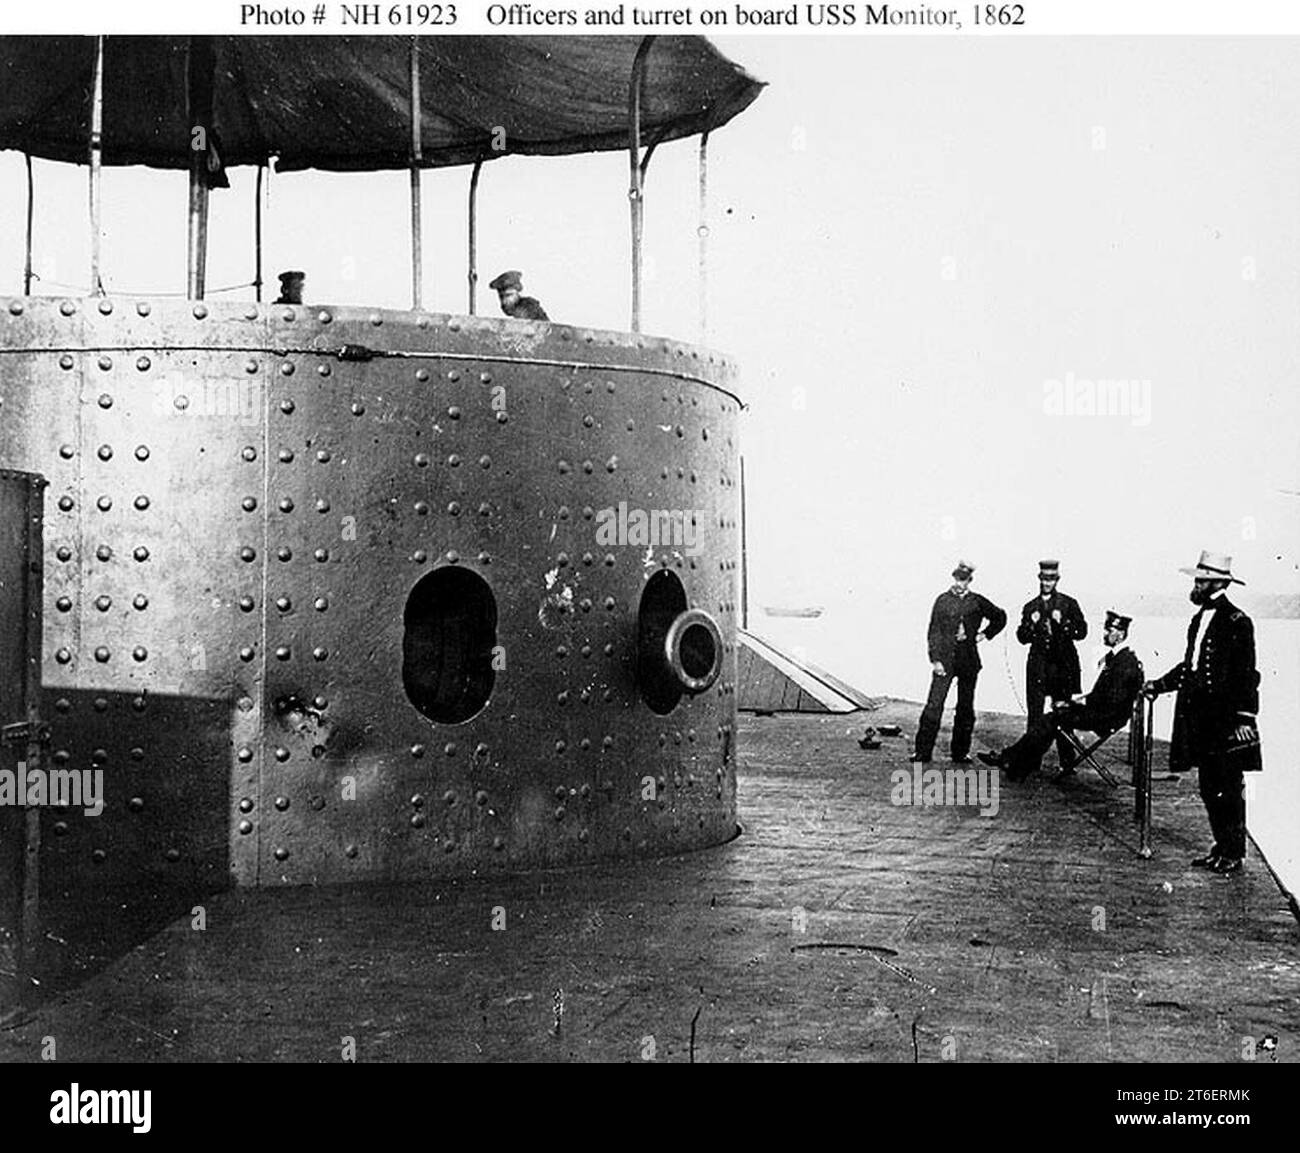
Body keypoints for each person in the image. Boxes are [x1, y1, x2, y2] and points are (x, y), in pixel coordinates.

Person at [1144, 551, 1261, 875]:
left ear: (1219, 582)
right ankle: (1221, 846)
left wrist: (1244, 719)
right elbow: (1190, 669)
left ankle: (1233, 852)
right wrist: (1158, 684)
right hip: (1200, 720)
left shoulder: (1238, 621)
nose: (1195, 584)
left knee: (1228, 786)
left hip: (1225, 720)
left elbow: (1245, 674)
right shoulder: (1199, 620)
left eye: (1201, 579)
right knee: (1210, 786)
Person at [980, 610, 1143, 780]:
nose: (1105, 634)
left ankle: (1011, 761)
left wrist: (1073, 704)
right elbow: (1105, 696)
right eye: (1106, 629)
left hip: (1106, 717)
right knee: (1052, 719)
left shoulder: (1125, 662)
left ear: (1121, 634)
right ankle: (1016, 764)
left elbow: (1111, 699)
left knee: (1051, 720)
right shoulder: (1122, 658)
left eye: (1109, 631)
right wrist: (1073, 703)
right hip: (1104, 712)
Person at [912, 561, 1007, 764]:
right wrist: (936, 660)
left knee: (965, 707)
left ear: (969, 581)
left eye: (963, 580)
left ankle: (960, 753)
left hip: (968, 661)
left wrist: (984, 635)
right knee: (934, 705)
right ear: (953, 578)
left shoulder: (977, 601)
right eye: (957, 579)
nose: (959, 583)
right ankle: (922, 752)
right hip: (945, 661)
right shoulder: (942, 601)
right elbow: (933, 631)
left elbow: (1000, 616)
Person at [1015, 559, 1087, 728]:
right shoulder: (1030, 607)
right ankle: (1032, 755)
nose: (1047, 583)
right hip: (1038, 667)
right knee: (1034, 714)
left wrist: (1063, 623)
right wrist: (1031, 625)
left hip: (1062, 667)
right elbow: (1022, 638)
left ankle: (1067, 755)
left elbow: (1082, 632)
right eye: (1044, 579)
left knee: (1063, 715)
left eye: (1051, 579)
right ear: (1039, 579)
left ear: (1056, 580)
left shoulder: (1068, 604)